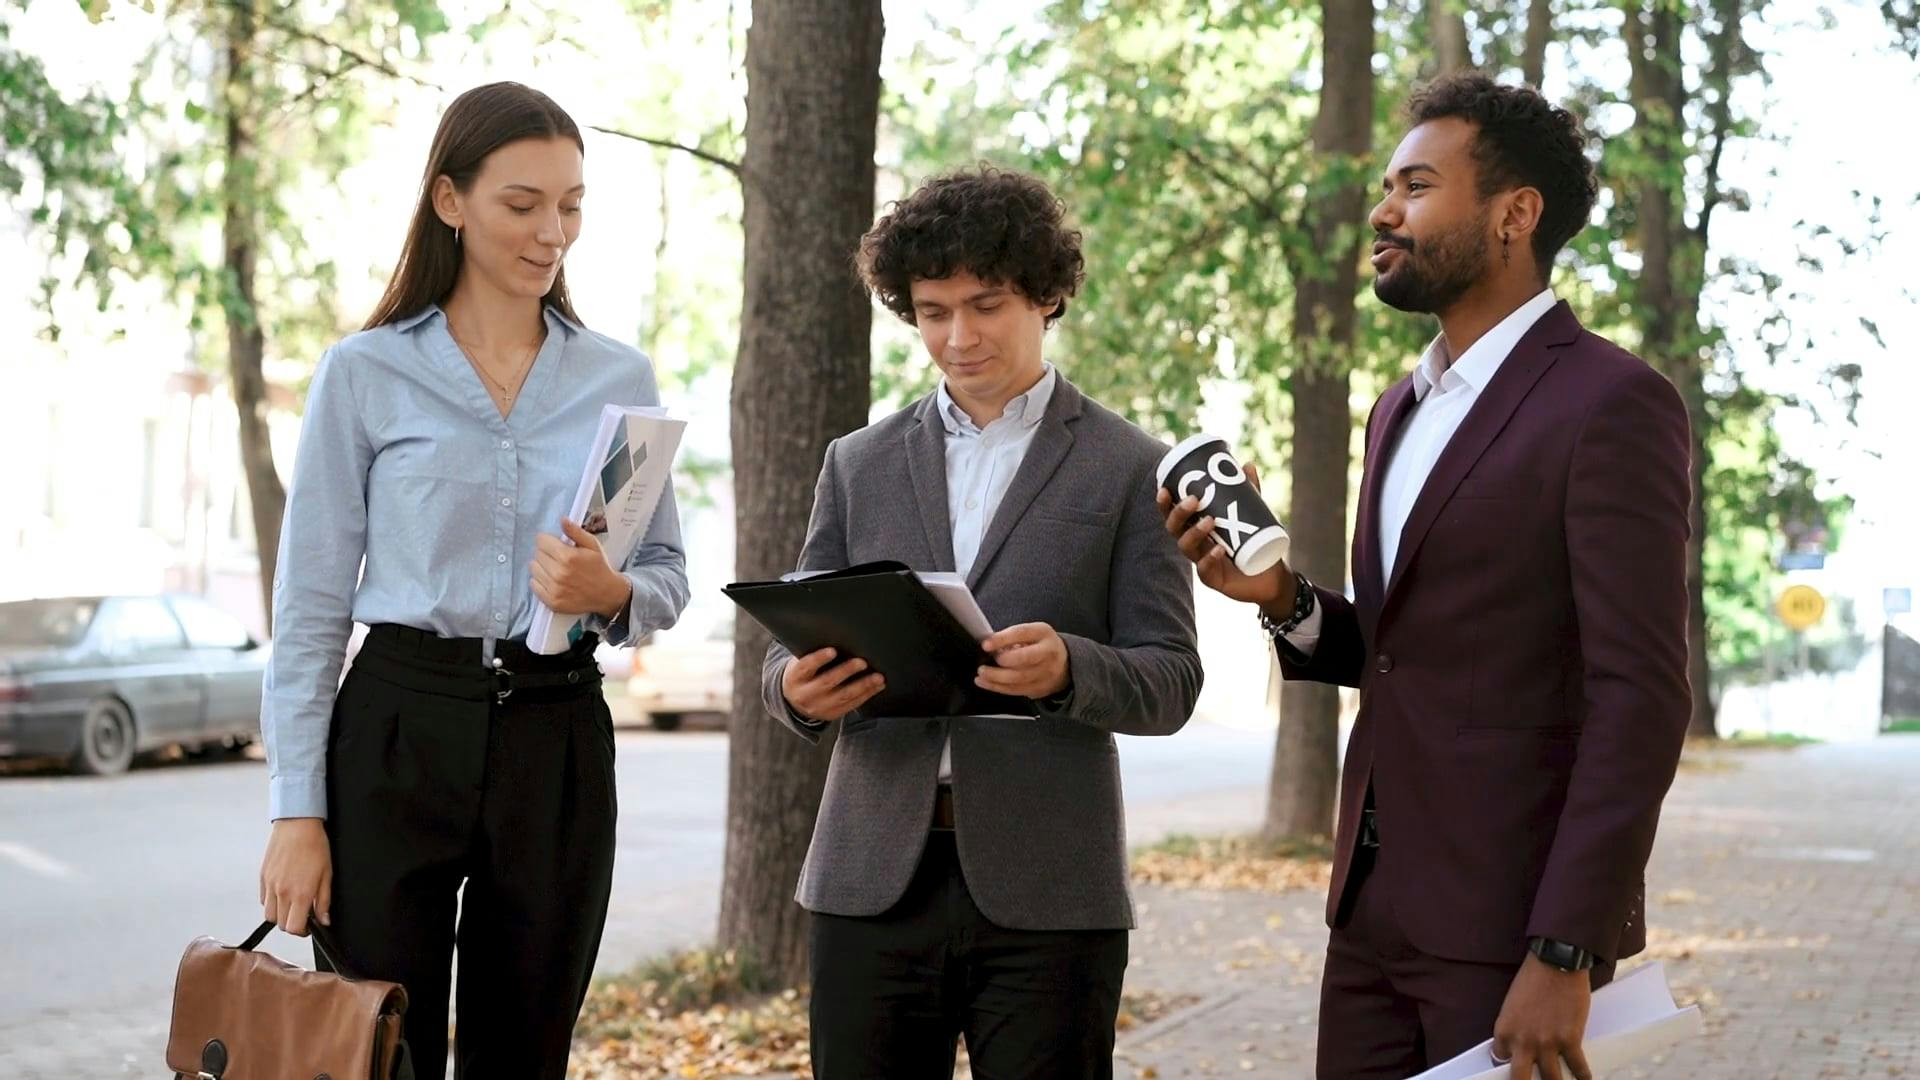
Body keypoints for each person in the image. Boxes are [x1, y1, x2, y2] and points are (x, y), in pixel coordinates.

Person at [1161, 73, 1692, 1080]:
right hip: (1370, 915)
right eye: (1387, 188)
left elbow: (1642, 697)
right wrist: (1281, 600)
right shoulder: (1396, 412)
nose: (1383, 211)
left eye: (1415, 187)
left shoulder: (1612, 403)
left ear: (1513, 216)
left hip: (1509, 929)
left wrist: (1567, 947)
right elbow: (1406, 650)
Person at [255, 81, 690, 1078]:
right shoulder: (364, 373)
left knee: (524, 1054)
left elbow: (665, 574)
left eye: (571, 205)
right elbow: (310, 607)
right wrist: (295, 811)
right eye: (523, 204)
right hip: (396, 732)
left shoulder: (617, 380)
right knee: (375, 1054)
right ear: (450, 201)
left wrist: (609, 594)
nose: (552, 232)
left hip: (556, 736)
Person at [761, 165, 1203, 1079]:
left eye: (986, 305)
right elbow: (788, 647)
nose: (958, 338)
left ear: (1046, 296)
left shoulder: (1132, 467)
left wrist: (1071, 668)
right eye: (933, 312)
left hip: (1053, 889)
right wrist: (796, 691)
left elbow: (1171, 677)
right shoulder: (857, 463)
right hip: (869, 879)